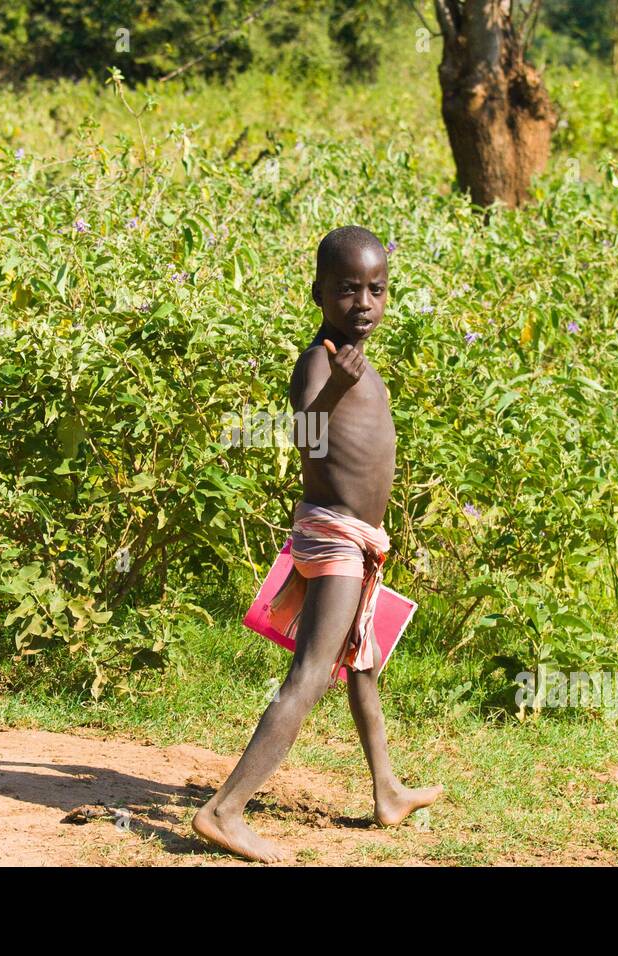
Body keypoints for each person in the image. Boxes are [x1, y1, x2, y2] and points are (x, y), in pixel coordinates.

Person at [191, 225, 443, 863]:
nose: (363, 302)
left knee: (361, 664)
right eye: (346, 290)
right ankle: (224, 809)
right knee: (308, 676)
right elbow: (304, 435)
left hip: (355, 541)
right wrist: (332, 386)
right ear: (319, 294)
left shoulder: (362, 361)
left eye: (376, 289)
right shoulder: (320, 359)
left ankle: (387, 790)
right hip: (333, 537)